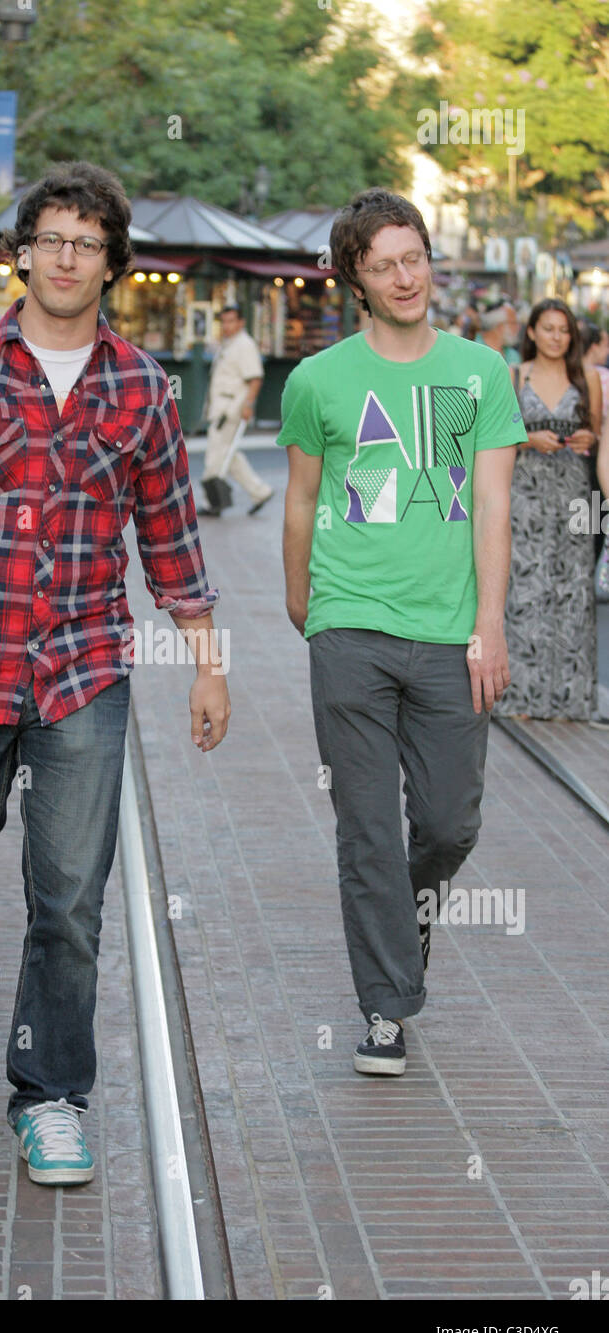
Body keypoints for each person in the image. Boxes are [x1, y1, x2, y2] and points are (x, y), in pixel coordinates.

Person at [0, 161, 229, 1186]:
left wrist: (206, 664)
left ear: (112, 263)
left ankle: (51, 1093)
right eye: (51, 238)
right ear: (22, 251)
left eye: (87, 242)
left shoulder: (141, 390)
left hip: (82, 673)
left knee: (70, 898)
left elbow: (171, 540)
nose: (67, 257)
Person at [279, 187, 526, 1076]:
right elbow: (302, 500)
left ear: (430, 259)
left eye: (412, 256)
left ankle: (407, 917)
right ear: (356, 279)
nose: (403, 276)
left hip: (453, 632)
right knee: (367, 827)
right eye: (382, 265)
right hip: (350, 623)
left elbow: (494, 505)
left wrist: (489, 625)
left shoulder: (480, 373)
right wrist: (304, 603)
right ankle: (384, 1007)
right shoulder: (319, 381)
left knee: (450, 823)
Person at [503, 300, 604, 722]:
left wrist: (586, 438)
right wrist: (529, 440)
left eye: (563, 330)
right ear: (531, 333)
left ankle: (570, 699)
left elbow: (597, 434)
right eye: (547, 328)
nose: (556, 337)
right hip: (526, 492)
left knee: (574, 591)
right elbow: (499, 437)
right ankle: (520, 697)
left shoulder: (589, 379)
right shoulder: (514, 375)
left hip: (577, 495)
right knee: (525, 589)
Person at [198, 305, 274, 517]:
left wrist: (248, 405)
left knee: (216, 454)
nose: (227, 326)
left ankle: (212, 502)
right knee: (229, 455)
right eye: (224, 321)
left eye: (231, 321)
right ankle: (260, 492)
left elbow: (255, 377)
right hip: (221, 407)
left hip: (230, 409)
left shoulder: (244, 345)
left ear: (241, 322)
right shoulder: (229, 345)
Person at [476, 300, 521, 365]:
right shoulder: (474, 349)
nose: (518, 328)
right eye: (513, 323)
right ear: (499, 325)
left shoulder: (513, 355)